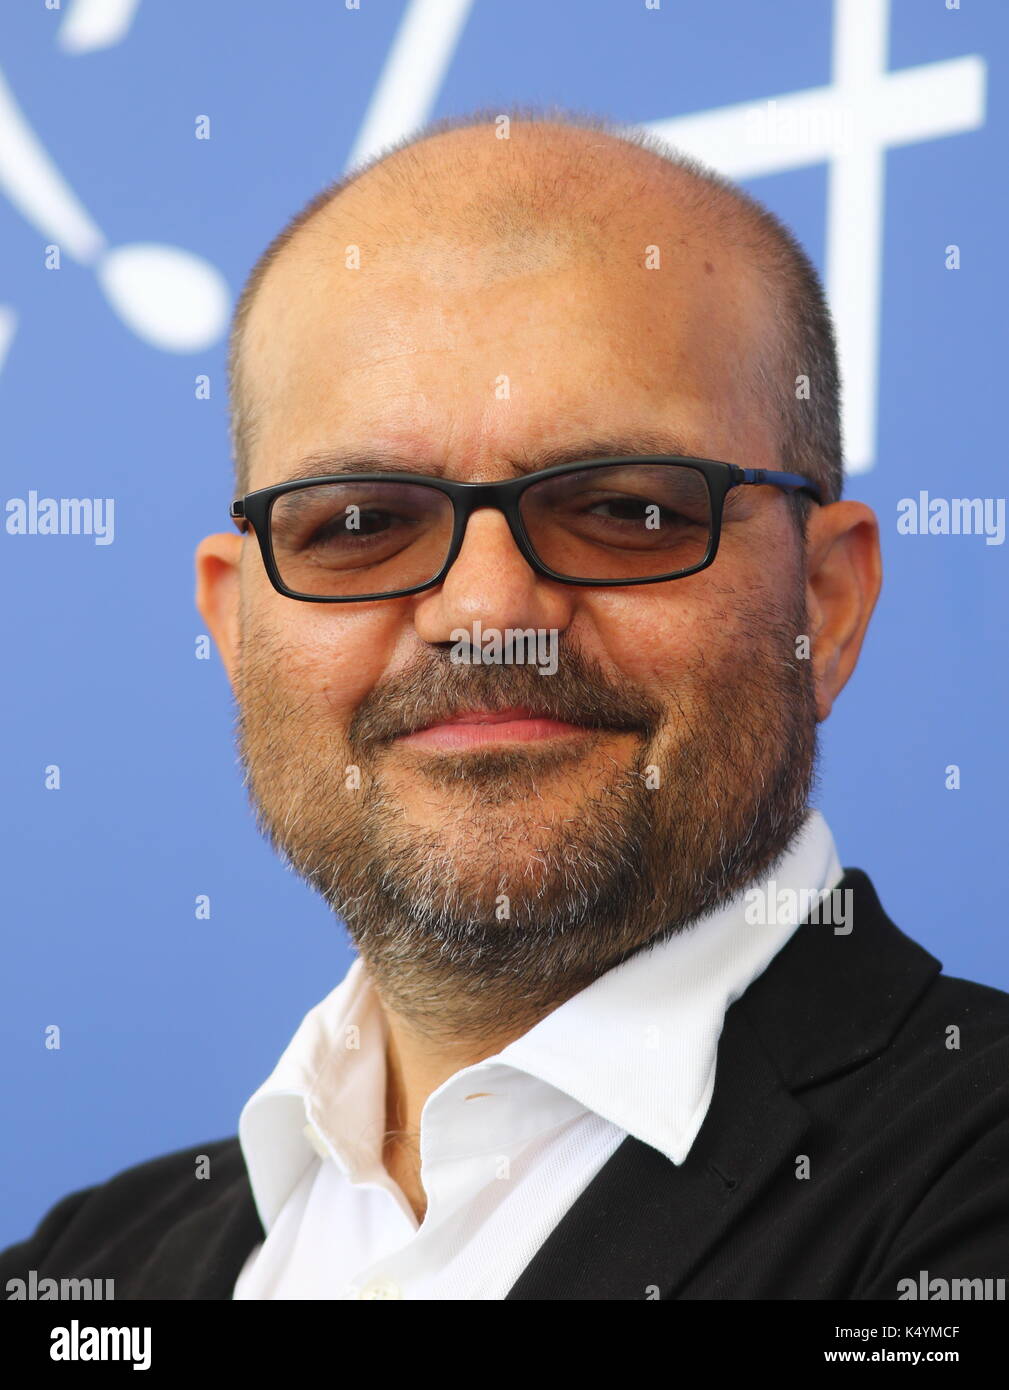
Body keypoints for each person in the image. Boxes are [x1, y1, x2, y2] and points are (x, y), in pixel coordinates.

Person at [3, 109, 1007, 1301]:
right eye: (361, 525)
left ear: (826, 604)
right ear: (234, 628)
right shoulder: (81, 1275)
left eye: (626, 509)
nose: (485, 612)